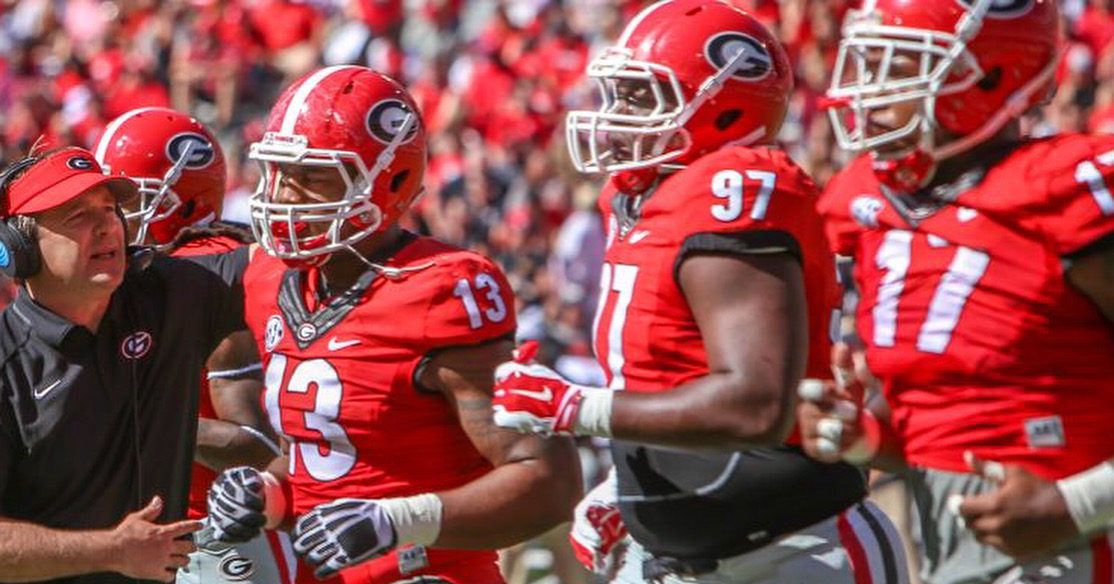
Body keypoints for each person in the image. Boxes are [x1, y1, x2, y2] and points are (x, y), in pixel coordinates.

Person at [490, 1, 908, 582]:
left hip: (792, 553)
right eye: (620, 95)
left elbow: (754, 402)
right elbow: (667, 379)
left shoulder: (731, 190)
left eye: (643, 97)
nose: (617, 117)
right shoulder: (642, 204)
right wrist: (627, 487)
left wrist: (575, 408)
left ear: (724, 105)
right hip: (676, 560)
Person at [204, 65, 581, 583]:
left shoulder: (440, 288)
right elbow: (333, 464)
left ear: (393, 179)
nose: (286, 197)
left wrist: (400, 521)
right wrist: (268, 492)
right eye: (279, 174)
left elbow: (550, 481)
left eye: (312, 177)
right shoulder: (272, 279)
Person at [802, 0, 1114, 582]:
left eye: (899, 67)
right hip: (952, 549)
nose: (870, 91)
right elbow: (947, 436)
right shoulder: (867, 201)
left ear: (995, 74)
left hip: (1083, 546)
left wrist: (1082, 503)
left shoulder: (1068, 189)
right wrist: (865, 437)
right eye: (869, 64)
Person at [0, 146, 249, 583]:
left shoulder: (167, 294)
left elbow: (279, 267)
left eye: (110, 209)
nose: (106, 227)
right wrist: (112, 550)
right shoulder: (7, 365)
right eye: (76, 215)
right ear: (18, 249)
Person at [94, 107, 294, 584]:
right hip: (158, 533)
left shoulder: (208, 277)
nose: (108, 219)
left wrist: (131, 412)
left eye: (123, 201)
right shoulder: (148, 277)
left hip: (223, 537)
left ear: (180, 198)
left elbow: (258, 446)